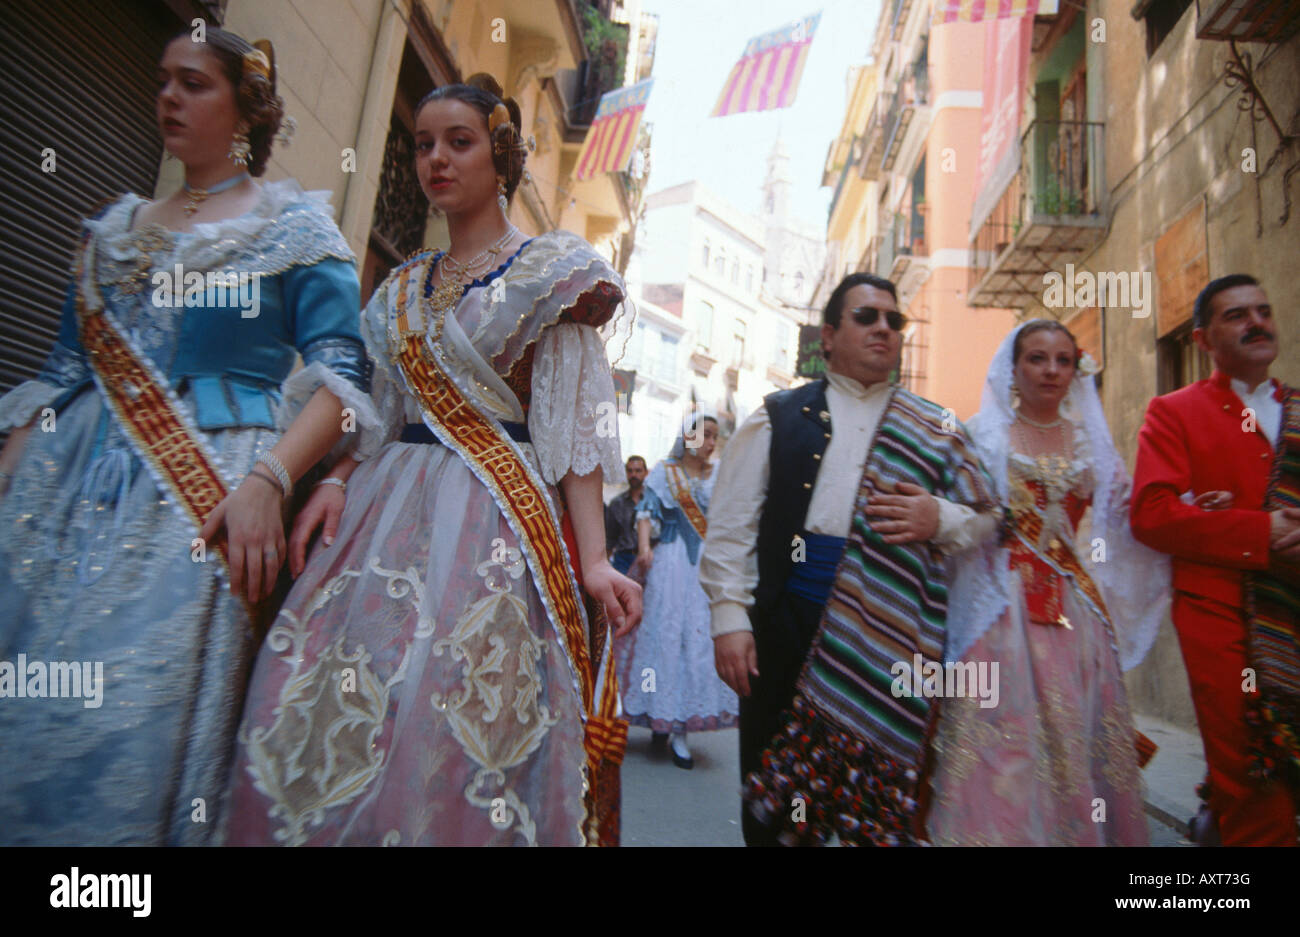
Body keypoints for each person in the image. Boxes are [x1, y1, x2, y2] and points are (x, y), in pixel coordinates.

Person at [223, 74, 641, 847]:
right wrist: (337, 482)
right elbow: (376, 411)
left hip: (500, 523)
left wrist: (593, 560)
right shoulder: (400, 291)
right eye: (422, 145)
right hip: (386, 517)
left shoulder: (550, 275)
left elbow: (574, 435)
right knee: (337, 691)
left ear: (502, 154)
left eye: (460, 142)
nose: (436, 160)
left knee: (456, 709)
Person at [0, 30, 370, 845]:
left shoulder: (293, 231)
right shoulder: (109, 232)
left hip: (199, 507)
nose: (169, 96)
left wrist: (270, 479)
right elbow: (58, 381)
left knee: (128, 717)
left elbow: (344, 382)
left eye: (194, 83)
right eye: (164, 80)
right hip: (60, 502)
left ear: (246, 111)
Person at [701, 273, 1001, 845]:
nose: (885, 328)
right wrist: (729, 620)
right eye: (868, 317)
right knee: (777, 800)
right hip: (786, 626)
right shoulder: (777, 416)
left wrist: (940, 518)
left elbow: (989, 514)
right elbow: (731, 529)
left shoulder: (935, 425)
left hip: (890, 635)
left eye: (895, 320)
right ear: (830, 337)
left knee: (874, 810)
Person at [926, 320, 1171, 846]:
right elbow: (958, 518)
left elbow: (1128, 521)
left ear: (1075, 369)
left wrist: (1190, 509)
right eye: (1037, 358)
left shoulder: (1093, 442)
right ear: (1013, 369)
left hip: (1074, 619)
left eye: (1063, 359)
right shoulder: (983, 436)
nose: (1051, 370)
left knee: (1072, 742)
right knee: (1002, 748)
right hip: (997, 612)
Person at [1131, 274, 1300, 846]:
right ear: (1202, 340)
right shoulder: (1174, 412)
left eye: (1263, 309)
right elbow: (1152, 514)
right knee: (1254, 774)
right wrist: (1259, 530)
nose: (1257, 322)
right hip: (1222, 619)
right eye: (1236, 315)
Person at [621, 417, 738, 768]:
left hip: (704, 566)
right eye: (706, 436)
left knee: (696, 641)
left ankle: (681, 731)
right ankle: (660, 715)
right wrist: (644, 548)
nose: (711, 443)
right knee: (663, 637)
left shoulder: (718, 476)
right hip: (670, 563)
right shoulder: (664, 472)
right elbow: (646, 513)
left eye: (716, 437)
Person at [606, 455, 655, 578]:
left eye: (638, 471)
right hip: (623, 560)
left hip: (649, 560)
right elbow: (609, 539)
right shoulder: (616, 503)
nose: (634, 475)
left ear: (646, 472)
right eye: (630, 471)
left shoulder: (654, 502)